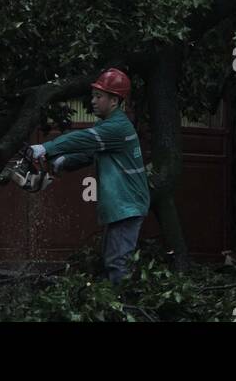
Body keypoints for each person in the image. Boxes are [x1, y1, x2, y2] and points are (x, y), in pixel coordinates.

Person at [25, 68, 150, 285]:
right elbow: (90, 153)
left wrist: (45, 148)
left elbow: (83, 139)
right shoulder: (109, 125)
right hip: (123, 205)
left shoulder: (117, 128)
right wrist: (63, 162)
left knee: (118, 264)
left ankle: (124, 310)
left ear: (114, 101)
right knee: (113, 262)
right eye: (93, 95)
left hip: (127, 205)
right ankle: (118, 304)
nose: (92, 101)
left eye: (98, 96)